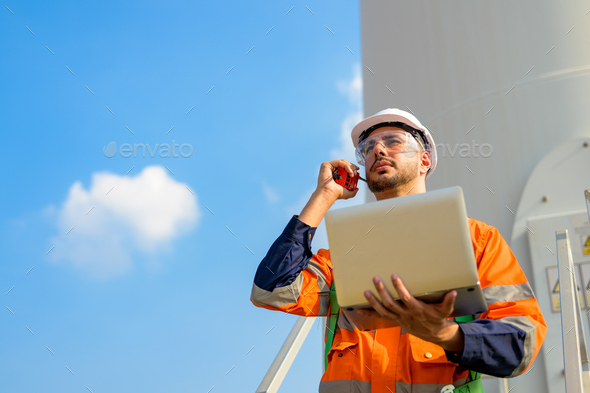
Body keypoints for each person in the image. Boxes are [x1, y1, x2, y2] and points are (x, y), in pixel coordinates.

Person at [250, 108, 547, 393]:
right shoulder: (345, 255)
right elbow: (273, 290)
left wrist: (447, 335)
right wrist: (324, 195)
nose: (377, 151)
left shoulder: (477, 241)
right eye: (368, 148)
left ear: (424, 161)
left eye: (392, 141)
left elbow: (522, 343)